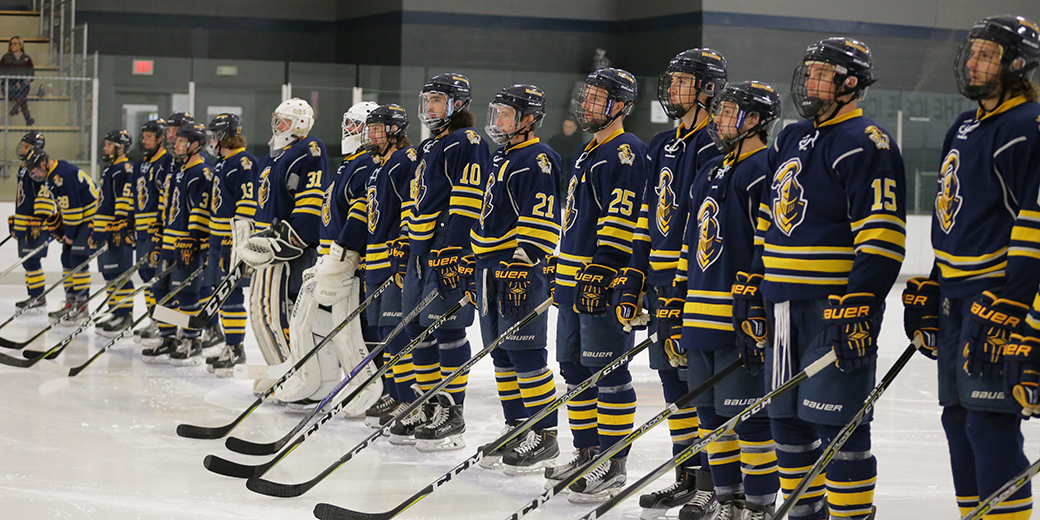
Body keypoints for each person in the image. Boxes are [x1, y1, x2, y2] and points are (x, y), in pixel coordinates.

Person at [739, 38, 905, 520]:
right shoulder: (791, 137)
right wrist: (754, 282)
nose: (808, 82)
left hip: (831, 308)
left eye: (821, 74)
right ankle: (804, 513)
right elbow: (768, 220)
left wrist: (861, 302)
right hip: (782, 307)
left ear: (850, 83)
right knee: (785, 420)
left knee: (841, 425)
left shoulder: (867, 142)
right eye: (807, 72)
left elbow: (883, 235)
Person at [907, 15, 1040, 520]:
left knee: (990, 423)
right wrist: (935, 285)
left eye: (988, 54)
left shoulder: (1028, 127)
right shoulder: (963, 127)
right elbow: (954, 217)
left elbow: (1033, 225)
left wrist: (1020, 304)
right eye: (973, 53)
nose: (973, 62)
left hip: (1001, 300)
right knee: (959, 418)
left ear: (1016, 64)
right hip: (958, 299)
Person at [620, 48, 728, 520]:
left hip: (696, 282)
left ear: (708, 89)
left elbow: (705, 222)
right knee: (672, 382)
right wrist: (634, 276)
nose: (673, 89)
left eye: (684, 81)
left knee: (700, 384)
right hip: (661, 282)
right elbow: (647, 214)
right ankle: (687, 476)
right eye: (674, 80)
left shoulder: (716, 142)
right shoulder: (663, 142)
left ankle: (714, 482)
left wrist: (683, 284)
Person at [676, 81, 782, 520]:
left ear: (754, 120)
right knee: (710, 421)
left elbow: (769, 245)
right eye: (717, 111)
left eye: (729, 112)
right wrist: (674, 305)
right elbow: (689, 242)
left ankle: (758, 507)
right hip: (699, 316)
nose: (718, 120)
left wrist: (757, 305)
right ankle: (728, 502)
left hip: (738, 318)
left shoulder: (766, 169)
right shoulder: (710, 170)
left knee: (750, 422)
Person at [545, 67, 649, 502]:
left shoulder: (626, 152)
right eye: (586, 97)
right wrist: (557, 259)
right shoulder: (590, 149)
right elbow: (578, 218)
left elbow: (622, 223)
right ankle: (587, 451)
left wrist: (605, 269)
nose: (586, 105)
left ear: (619, 107)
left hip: (600, 286)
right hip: (572, 283)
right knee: (574, 370)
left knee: (608, 373)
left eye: (597, 99)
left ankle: (613, 461)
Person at [388, 72, 489, 452]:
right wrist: (405, 239)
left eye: (437, 100)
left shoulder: (467, 141)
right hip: (420, 252)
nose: (429, 107)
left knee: (447, 331)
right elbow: (417, 200)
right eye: (427, 99)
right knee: (416, 328)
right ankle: (428, 402)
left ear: (456, 105)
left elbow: (469, 197)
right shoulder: (432, 145)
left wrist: (458, 248)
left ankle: (452, 410)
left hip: (445, 251)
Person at [471, 84, 562, 475]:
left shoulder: (539, 158)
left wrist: (524, 264)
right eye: (497, 112)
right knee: (502, 356)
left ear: (528, 119)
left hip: (518, 272)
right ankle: (516, 427)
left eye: (507, 114)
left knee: (526, 356)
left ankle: (544, 434)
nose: (498, 121)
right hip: (490, 270)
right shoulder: (501, 156)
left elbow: (541, 219)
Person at [274, 101, 381, 415]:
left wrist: (346, 251)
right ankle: (317, 381)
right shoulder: (350, 163)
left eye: (357, 126)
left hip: (349, 260)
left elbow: (361, 215)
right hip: (329, 255)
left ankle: (366, 384)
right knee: (312, 321)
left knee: (352, 329)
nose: (349, 131)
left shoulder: (366, 164)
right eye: (348, 123)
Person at [326, 102, 419, 424]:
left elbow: (411, 206)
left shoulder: (404, 161)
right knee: (380, 332)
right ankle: (392, 392)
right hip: (375, 263)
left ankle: (410, 400)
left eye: (378, 128)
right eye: (370, 128)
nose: (370, 134)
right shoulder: (380, 165)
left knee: (395, 332)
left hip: (394, 264)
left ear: (395, 131)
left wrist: (405, 248)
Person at [236, 98, 328, 396]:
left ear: (301, 124)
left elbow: (310, 204)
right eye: (277, 119)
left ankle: (296, 377)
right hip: (266, 247)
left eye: (285, 121)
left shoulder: (308, 150)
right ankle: (279, 371)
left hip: (286, 252)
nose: (278, 126)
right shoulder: (273, 155)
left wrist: (289, 240)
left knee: (276, 314)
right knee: (260, 312)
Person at [141, 123, 214, 365]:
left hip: (187, 247)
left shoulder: (201, 173)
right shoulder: (176, 172)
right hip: (169, 245)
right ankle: (168, 336)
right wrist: (157, 236)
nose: (176, 144)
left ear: (195, 145)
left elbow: (201, 211)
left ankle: (192, 340)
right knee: (160, 290)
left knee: (187, 295)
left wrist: (194, 241)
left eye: (182, 142)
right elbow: (165, 209)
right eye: (177, 141)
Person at [203, 113, 259, 377]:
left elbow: (247, 206)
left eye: (215, 135)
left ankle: (235, 348)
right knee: (220, 291)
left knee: (230, 294)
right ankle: (228, 343)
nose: (211, 140)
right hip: (217, 239)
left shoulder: (243, 162)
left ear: (226, 136)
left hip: (230, 240)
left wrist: (238, 241)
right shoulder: (224, 163)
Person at [26, 149, 98, 324]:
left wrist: (70, 235)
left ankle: (82, 306)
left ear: (43, 163)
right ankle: (71, 302)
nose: (33, 173)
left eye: (35, 168)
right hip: (79, 219)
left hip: (90, 219)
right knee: (66, 258)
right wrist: (61, 226)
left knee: (78, 259)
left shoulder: (61, 176)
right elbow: (66, 208)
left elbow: (74, 210)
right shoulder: (53, 176)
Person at [91, 129, 137, 336]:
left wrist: (120, 227)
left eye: (109, 145)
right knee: (109, 274)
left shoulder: (124, 169)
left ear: (120, 148)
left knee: (120, 274)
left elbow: (124, 201)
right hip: (106, 232)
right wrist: (97, 229)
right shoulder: (110, 168)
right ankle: (114, 311)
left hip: (117, 232)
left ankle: (125, 315)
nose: (105, 148)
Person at [133, 118, 174, 343]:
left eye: (150, 137)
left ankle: (165, 322)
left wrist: (161, 227)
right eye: (144, 136)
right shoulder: (142, 163)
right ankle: (155, 318)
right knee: (147, 276)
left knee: (158, 278)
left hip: (157, 230)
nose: (145, 140)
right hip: (141, 230)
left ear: (160, 139)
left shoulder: (167, 161)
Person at [9, 131, 48, 310]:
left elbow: (45, 194)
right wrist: (17, 221)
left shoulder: (39, 166)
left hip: (35, 223)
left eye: (26, 147)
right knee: (27, 259)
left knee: (32, 260)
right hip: (25, 221)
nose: (22, 149)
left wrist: (39, 221)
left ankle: (38, 296)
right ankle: (33, 295)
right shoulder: (24, 166)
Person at [0, 36, 34, 126]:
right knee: (21, 95)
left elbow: (31, 74)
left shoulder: (27, 59)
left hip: (23, 86)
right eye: (11, 44)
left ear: (21, 45)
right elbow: (2, 73)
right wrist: (14, 82)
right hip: (9, 85)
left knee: (21, 92)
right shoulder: (5, 58)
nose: (12, 46)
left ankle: (16, 107)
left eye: (15, 44)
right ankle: (27, 118)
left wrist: (23, 82)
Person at [547, 116, 584, 185]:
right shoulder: (554, 141)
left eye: (570, 127)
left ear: (575, 128)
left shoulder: (580, 144)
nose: (567, 129)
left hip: (571, 177)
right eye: (565, 126)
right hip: (556, 175)